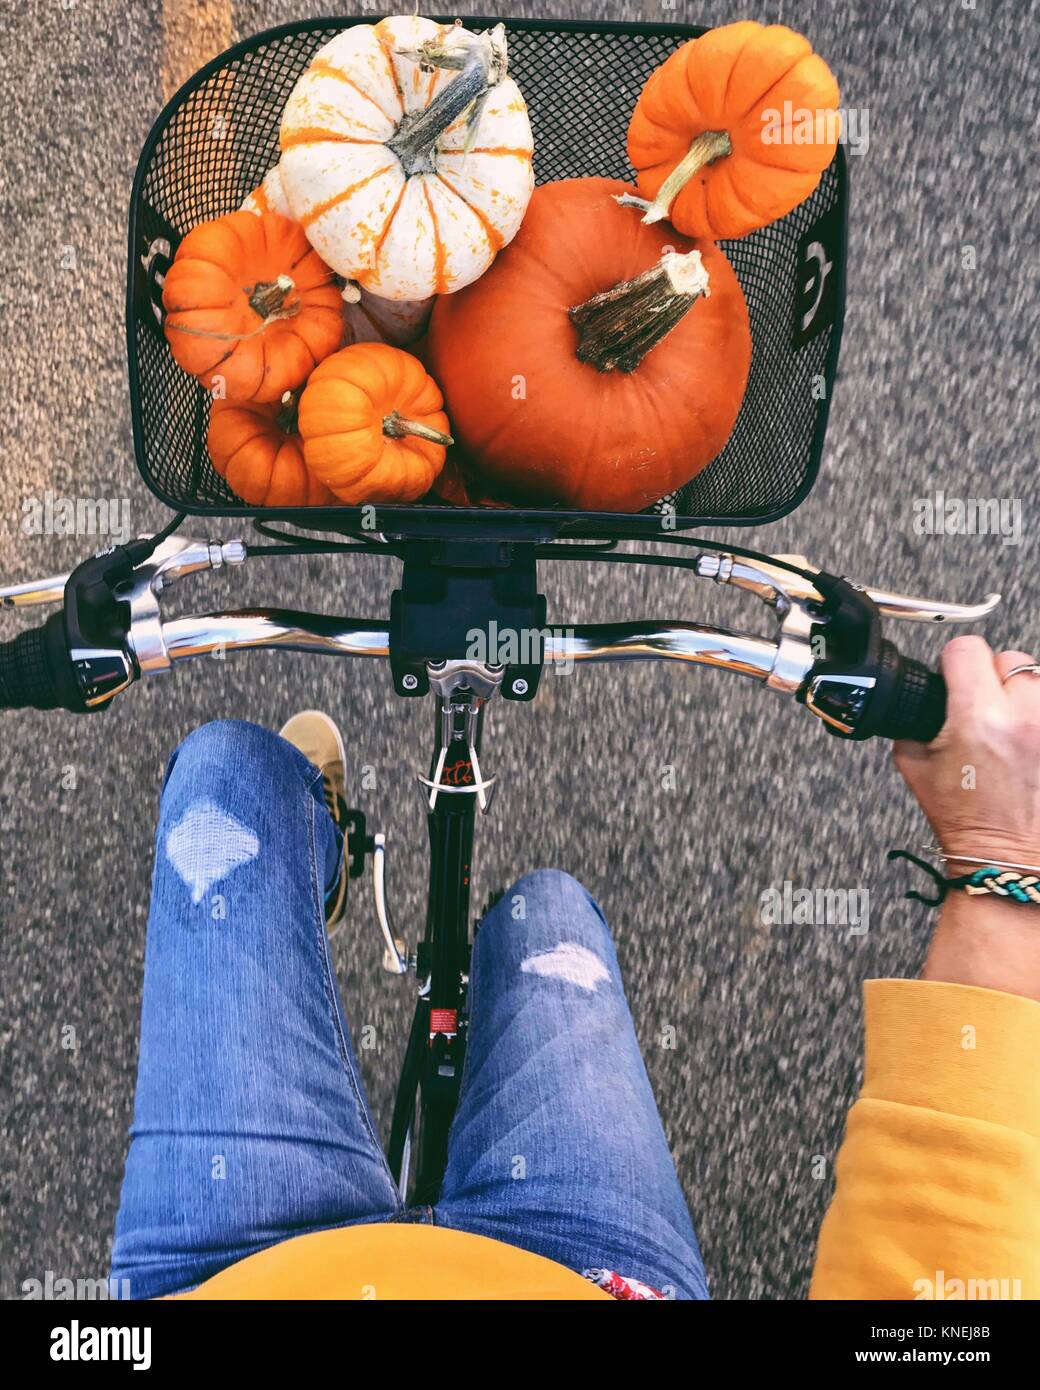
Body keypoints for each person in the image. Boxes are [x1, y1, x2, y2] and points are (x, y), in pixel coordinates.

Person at [109, 636, 1040, 1300]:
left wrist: (1005, 857)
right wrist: (999, 854)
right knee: (544, 912)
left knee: (227, 775)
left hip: (227, 1279)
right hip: (588, 1277)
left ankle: (322, 859)